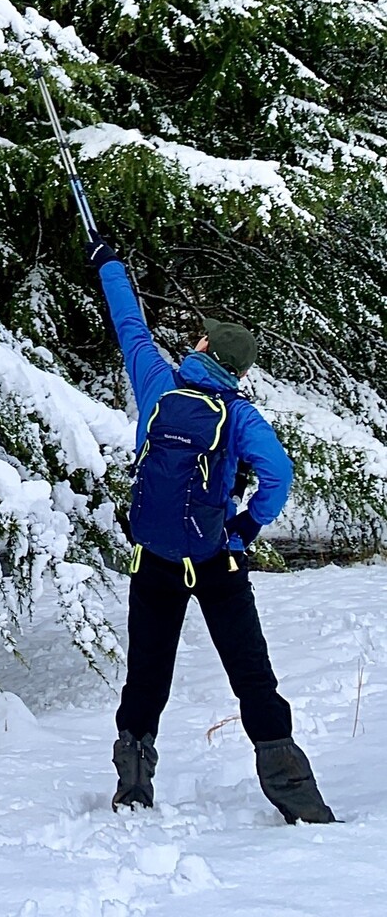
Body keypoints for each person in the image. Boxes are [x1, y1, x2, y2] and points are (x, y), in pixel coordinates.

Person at [88, 233, 336, 825]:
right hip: (219, 560)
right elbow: (279, 473)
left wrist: (110, 264)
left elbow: (130, 326)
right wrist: (247, 525)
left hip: (154, 561)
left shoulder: (158, 385)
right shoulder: (242, 416)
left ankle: (133, 788)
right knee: (252, 674)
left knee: (147, 673)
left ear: (203, 348)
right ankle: (297, 797)